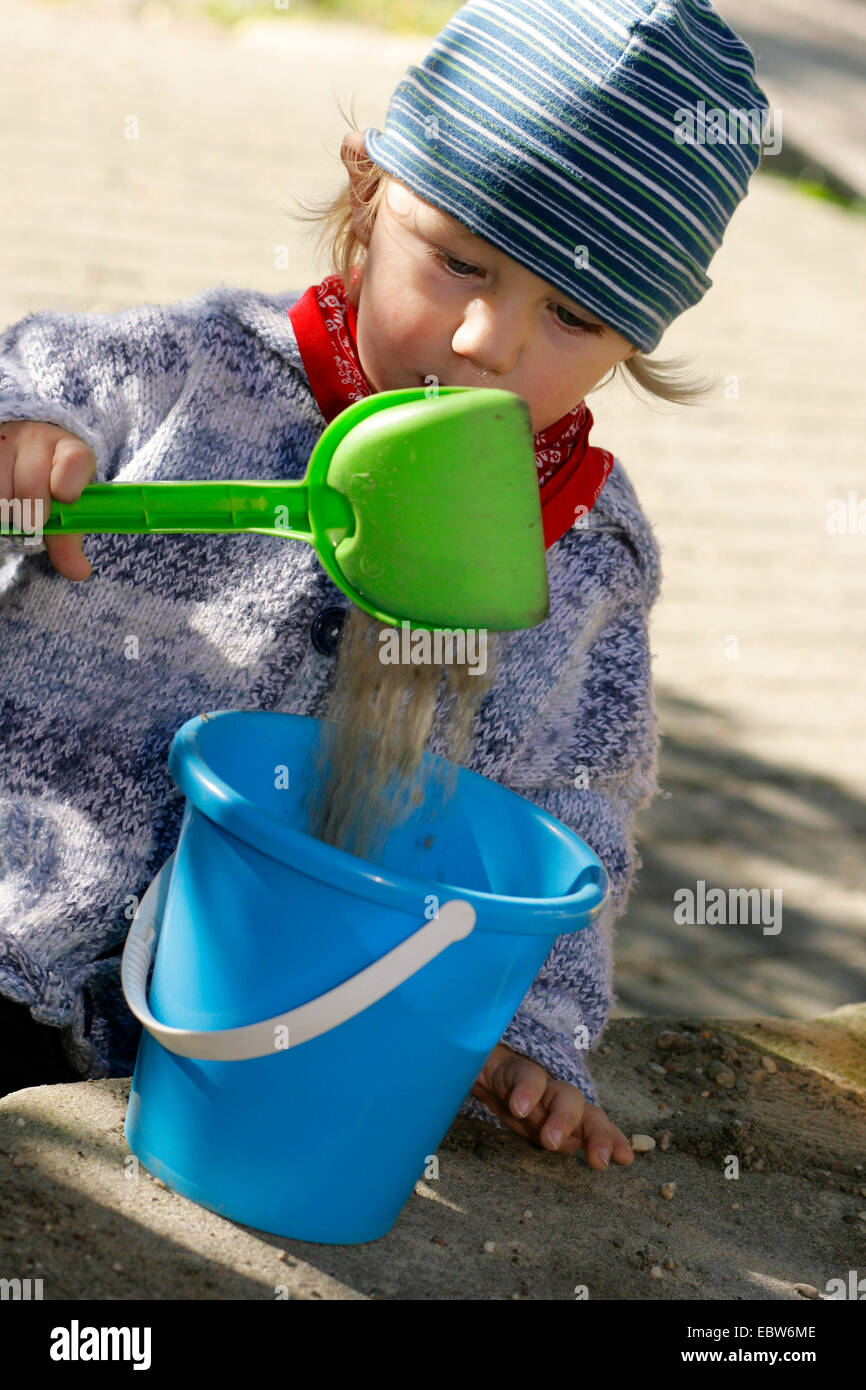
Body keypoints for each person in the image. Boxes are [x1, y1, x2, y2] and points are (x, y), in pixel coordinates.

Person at [0, 0, 768, 1170]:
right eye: (456, 259)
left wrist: (530, 1026)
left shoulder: (583, 553)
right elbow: (47, 373)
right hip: (20, 921)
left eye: (569, 314)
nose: (483, 340)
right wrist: (29, 437)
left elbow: (573, 808)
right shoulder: (199, 371)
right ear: (368, 195)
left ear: (634, 345)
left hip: (282, 1043)